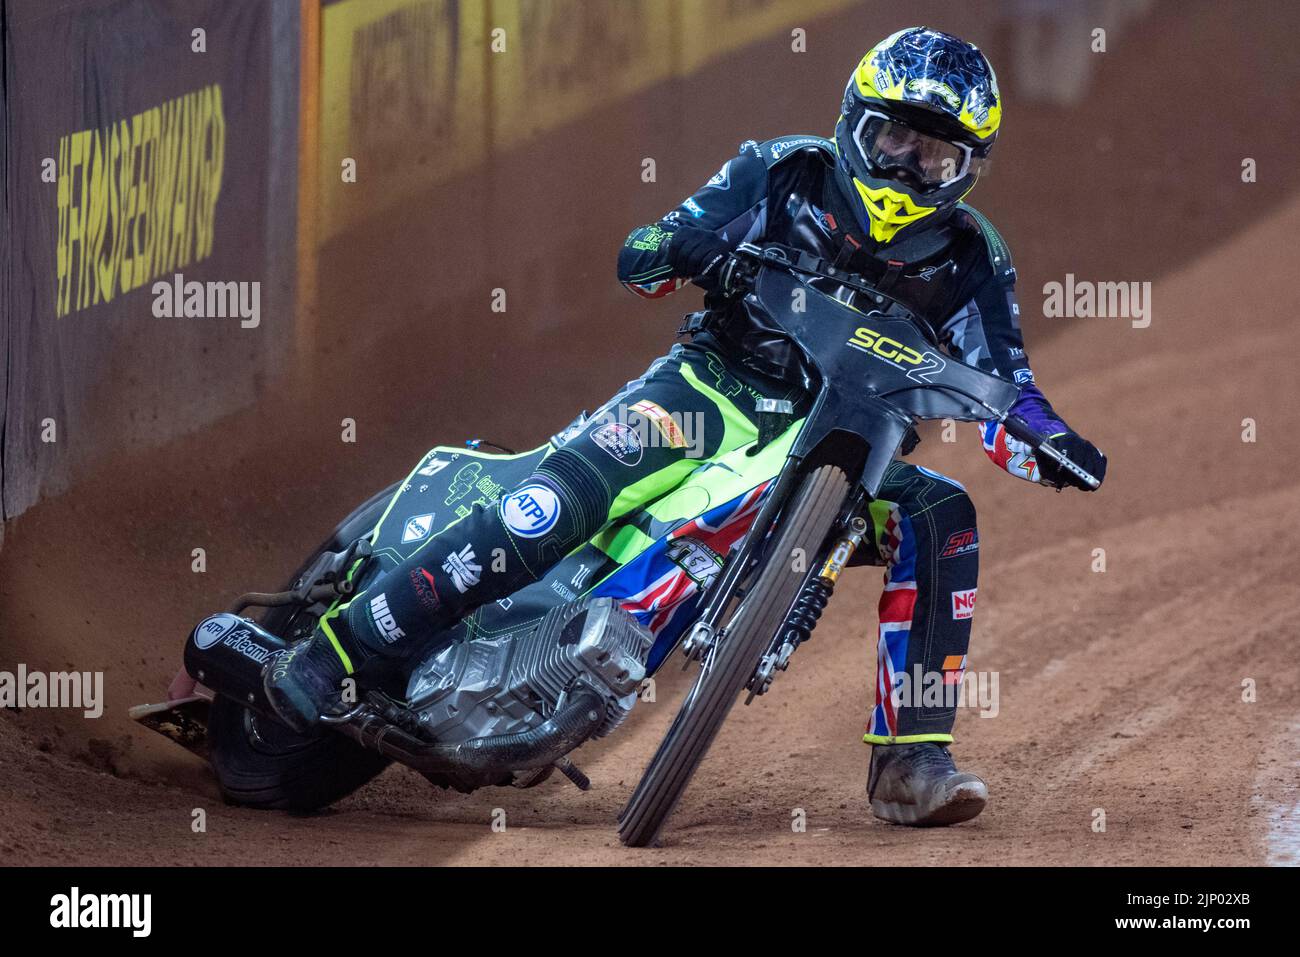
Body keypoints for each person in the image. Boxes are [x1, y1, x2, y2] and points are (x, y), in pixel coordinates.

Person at [266, 26, 1106, 827]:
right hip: (708, 392)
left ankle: (911, 762)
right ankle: (337, 647)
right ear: (855, 123)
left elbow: (1006, 391)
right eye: (895, 140)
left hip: (848, 446)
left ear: (968, 168)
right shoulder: (782, 174)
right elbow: (643, 252)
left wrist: (1051, 442)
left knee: (942, 515)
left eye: (937, 155)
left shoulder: (972, 258)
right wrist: (698, 252)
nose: (909, 168)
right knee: (547, 509)